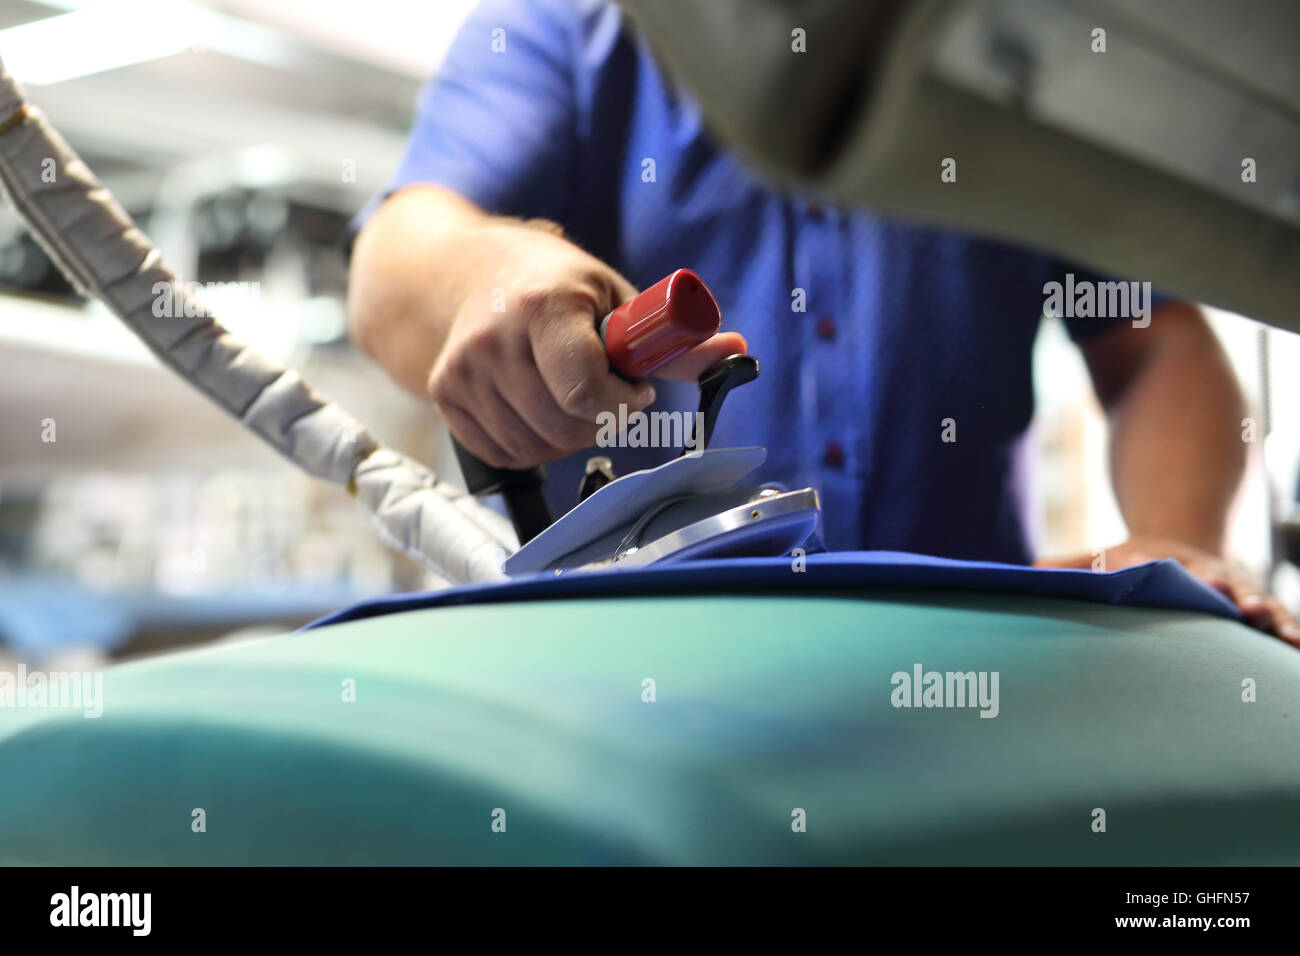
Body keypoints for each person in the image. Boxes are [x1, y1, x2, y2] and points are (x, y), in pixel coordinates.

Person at [347, 0, 1297, 644]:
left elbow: (1155, 343)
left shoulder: (1008, 57)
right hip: (629, 678)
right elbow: (396, 261)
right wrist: (492, 273)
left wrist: (1174, 544)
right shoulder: (567, 24)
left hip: (975, 672)